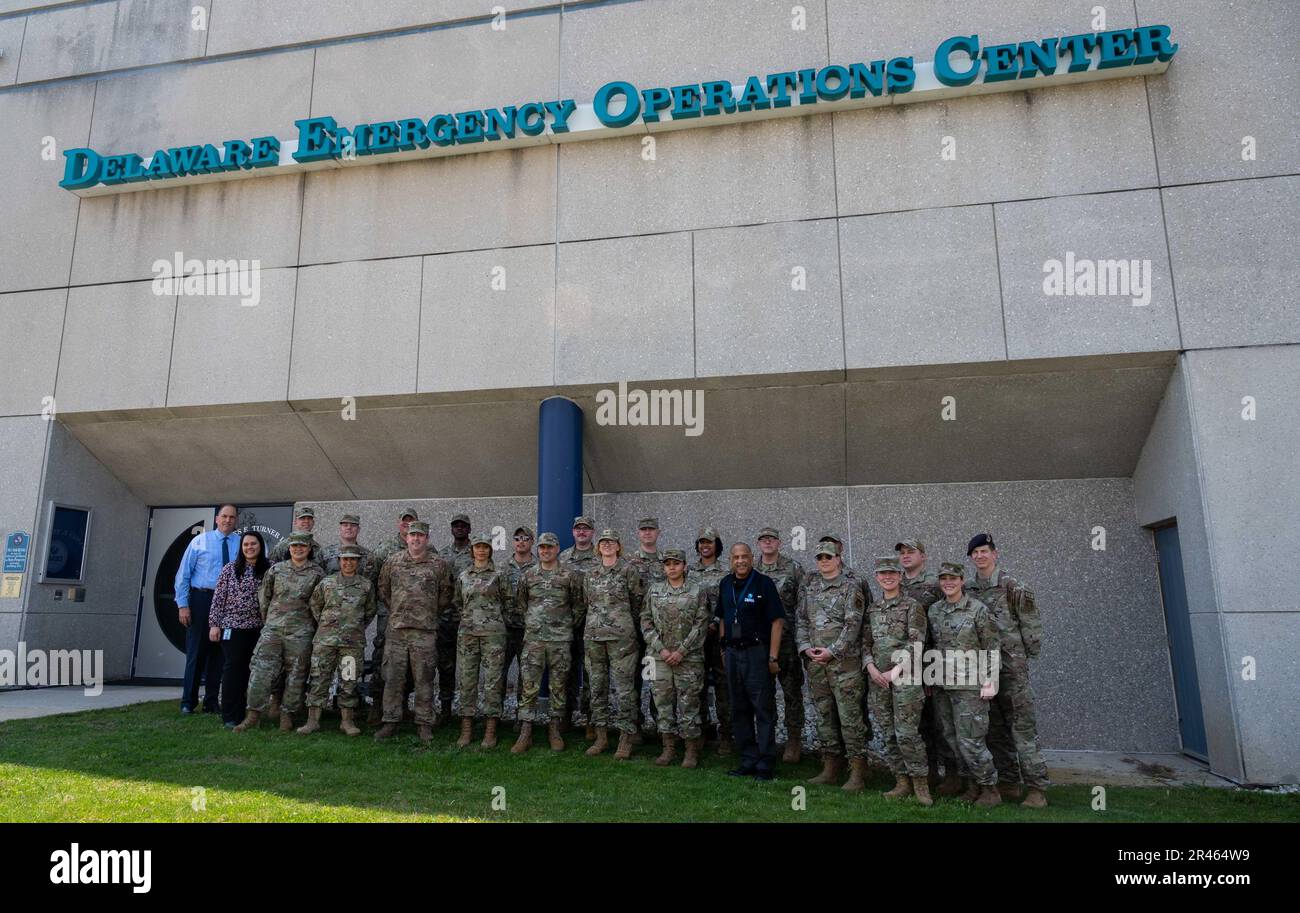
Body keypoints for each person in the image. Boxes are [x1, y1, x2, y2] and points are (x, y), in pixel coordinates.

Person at [965, 533, 1050, 807]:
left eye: (984, 551)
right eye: (975, 552)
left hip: (1012, 669)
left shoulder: (1014, 586)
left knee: (1022, 728)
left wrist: (1025, 660)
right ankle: (1009, 782)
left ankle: (1037, 789)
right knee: (996, 730)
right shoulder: (968, 589)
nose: (979, 556)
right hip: (984, 671)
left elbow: (1031, 626)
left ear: (995, 553)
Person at [234, 531, 324, 732]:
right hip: (273, 629)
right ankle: (253, 714)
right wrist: (270, 622)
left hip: (301, 632)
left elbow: (320, 603)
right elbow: (264, 598)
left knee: (296, 675)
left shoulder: (317, 573)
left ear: (309, 549)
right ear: (289, 548)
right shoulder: (276, 570)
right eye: (294, 546)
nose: (298, 549)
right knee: (261, 671)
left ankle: (287, 714)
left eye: (302, 546)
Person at [796, 539, 868, 791]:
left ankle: (857, 770)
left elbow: (853, 625)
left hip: (844, 665)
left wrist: (832, 651)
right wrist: (805, 647)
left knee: (850, 718)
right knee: (824, 715)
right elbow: (802, 619)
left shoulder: (851, 586)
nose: (824, 562)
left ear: (838, 558)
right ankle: (830, 766)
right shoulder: (811, 586)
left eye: (829, 557)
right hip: (816, 665)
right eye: (820, 558)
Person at [928, 561, 1001, 807]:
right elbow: (933, 647)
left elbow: (992, 647)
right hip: (942, 685)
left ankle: (990, 789)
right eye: (944, 578)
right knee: (952, 738)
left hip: (970, 686)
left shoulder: (977, 610)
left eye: (953, 578)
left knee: (971, 740)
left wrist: (990, 680)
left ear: (962, 581)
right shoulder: (935, 610)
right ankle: (971, 786)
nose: (948, 582)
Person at [374, 521, 453, 744]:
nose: (416, 539)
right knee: (393, 678)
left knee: (424, 678)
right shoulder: (393, 561)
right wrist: (400, 611)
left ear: (427, 539)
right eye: (412, 535)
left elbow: (446, 594)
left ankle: (424, 723)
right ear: (406, 537)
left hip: (425, 631)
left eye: (420, 535)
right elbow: (384, 590)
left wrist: (428, 612)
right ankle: (390, 721)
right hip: (397, 630)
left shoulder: (439, 564)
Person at [864, 555, 931, 805]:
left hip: (906, 679)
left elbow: (917, 644)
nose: (888, 577)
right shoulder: (872, 609)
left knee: (907, 734)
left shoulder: (912, 607)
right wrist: (871, 668)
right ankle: (901, 781)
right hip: (878, 679)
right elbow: (865, 643)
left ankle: (921, 784)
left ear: (900, 576)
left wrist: (895, 672)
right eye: (883, 574)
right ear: (877, 577)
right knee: (889, 733)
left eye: (892, 573)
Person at [715, 542, 784, 780]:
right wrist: (723, 649)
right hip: (733, 653)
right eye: (736, 557)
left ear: (752, 558)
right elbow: (723, 617)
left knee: (762, 708)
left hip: (757, 653)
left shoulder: (764, 583)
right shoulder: (725, 583)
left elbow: (777, 622)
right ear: (730, 560)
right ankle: (748, 758)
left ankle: (765, 763)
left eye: (745, 556)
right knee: (739, 708)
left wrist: (773, 656)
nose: (740, 561)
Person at [512, 532, 586, 753]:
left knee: (558, 686)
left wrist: (565, 625)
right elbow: (522, 603)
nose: (545, 551)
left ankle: (555, 728)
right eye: (542, 548)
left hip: (560, 640)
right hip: (534, 639)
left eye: (550, 548)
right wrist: (534, 623)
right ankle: (526, 731)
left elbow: (579, 604)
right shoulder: (529, 575)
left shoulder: (569, 575)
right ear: (538, 550)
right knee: (529, 686)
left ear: (556, 549)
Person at [895, 537, 955, 793]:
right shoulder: (896, 583)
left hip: (933, 660)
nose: (906, 556)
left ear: (924, 556)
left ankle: (953, 774)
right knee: (919, 723)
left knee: (942, 721)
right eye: (902, 553)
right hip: (907, 663)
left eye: (912, 552)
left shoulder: (936, 583)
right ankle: (928, 773)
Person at [641, 549, 710, 767]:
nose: (672, 567)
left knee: (689, 704)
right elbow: (645, 620)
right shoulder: (654, 590)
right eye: (668, 564)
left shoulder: (697, 591)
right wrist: (661, 649)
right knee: (662, 704)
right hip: (659, 657)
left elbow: (701, 624)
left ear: (685, 566)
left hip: (688, 659)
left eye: (676, 563)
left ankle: (691, 750)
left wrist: (682, 650)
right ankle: (668, 748)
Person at [580, 530, 645, 760]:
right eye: (603, 542)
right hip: (594, 638)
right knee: (597, 688)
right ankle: (601, 737)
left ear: (619, 546)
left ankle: (625, 738)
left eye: (612, 542)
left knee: (624, 689)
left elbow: (637, 602)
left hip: (622, 639)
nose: (607, 545)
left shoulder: (628, 570)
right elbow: (586, 602)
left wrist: (627, 627)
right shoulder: (590, 574)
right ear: (598, 547)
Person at [301, 545, 377, 736]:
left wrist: (354, 626)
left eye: (352, 559)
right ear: (339, 561)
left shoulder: (366, 586)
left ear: (358, 562)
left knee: (349, 680)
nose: (348, 562)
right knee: (319, 679)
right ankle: (313, 721)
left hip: (351, 644)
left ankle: (347, 721)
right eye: (345, 559)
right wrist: (328, 626)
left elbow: (369, 611)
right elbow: (315, 605)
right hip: (325, 641)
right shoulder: (327, 583)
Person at [174, 503, 240, 714]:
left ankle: (211, 702)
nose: (228, 520)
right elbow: (183, 574)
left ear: (236, 520)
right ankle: (188, 702)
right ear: (216, 519)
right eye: (224, 516)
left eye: (232, 517)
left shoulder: (241, 544)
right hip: (202, 599)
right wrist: (183, 605)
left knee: (220, 655)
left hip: (229, 603)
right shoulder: (200, 541)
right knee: (196, 653)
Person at [754, 526, 806, 763]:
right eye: (763, 539)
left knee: (791, 693)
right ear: (758, 544)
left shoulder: (793, 568)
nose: (767, 542)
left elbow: (803, 604)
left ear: (779, 543)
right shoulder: (751, 569)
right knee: (763, 693)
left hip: (787, 642)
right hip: (759, 642)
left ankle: (794, 741)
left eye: (771, 539)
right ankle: (768, 740)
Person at [454, 532, 510, 748]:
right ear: (472, 549)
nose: (481, 550)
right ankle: (466, 728)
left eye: (485, 546)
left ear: (490, 550)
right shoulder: (463, 575)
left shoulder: (499, 574)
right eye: (478, 546)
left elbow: (508, 601)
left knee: (493, 681)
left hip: (493, 635)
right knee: (467, 681)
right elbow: (459, 602)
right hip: (468, 634)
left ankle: (490, 729)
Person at [207, 530, 269, 728]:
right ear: (241, 548)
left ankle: (249, 714)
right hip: (232, 627)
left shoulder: (270, 570)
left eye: (253, 544)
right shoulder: (230, 569)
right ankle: (230, 715)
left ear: (260, 546)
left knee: (253, 671)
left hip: (259, 628)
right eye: (246, 545)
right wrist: (214, 624)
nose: (249, 548)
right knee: (234, 669)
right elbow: (218, 599)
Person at [366, 506, 419, 725]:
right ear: (399, 523)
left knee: (408, 660)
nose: (407, 524)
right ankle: (378, 705)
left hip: (414, 617)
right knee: (382, 658)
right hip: (388, 614)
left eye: (412, 521)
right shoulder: (384, 548)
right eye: (404, 521)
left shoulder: (427, 548)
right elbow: (372, 578)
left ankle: (403, 705)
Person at [691, 526, 731, 756]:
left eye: (709, 542)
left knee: (723, 687)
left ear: (717, 545)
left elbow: (727, 601)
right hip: (696, 638)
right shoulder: (690, 571)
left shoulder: (726, 571)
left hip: (719, 636)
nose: (705, 546)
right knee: (697, 685)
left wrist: (716, 622)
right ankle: (702, 731)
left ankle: (726, 734)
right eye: (701, 542)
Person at [559, 516, 598, 735]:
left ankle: (591, 718)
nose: (581, 532)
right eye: (578, 529)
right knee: (566, 670)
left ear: (593, 532)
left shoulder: (600, 557)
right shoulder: (563, 557)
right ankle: (566, 715)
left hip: (592, 624)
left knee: (593, 672)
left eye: (586, 529)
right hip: (567, 623)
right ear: (573, 532)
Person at [626, 517, 665, 736]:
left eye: (651, 529)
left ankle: (660, 723)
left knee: (658, 678)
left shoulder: (666, 561)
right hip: (633, 629)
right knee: (633, 679)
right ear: (638, 533)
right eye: (643, 530)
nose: (647, 533)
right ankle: (635, 725)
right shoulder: (628, 561)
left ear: (659, 532)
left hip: (658, 631)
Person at [436, 513, 473, 727]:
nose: (459, 529)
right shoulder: (443, 555)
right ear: (451, 529)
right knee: (446, 665)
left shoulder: (477, 553)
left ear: (469, 529)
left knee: (468, 666)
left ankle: (467, 712)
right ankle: (446, 708)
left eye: (463, 526)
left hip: (468, 620)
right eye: (456, 526)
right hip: (446, 620)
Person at [501, 526, 536, 729]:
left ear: (531, 542)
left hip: (528, 629)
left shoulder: (538, 567)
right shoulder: (503, 566)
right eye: (517, 538)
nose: (521, 542)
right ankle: (496, 715)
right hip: (505, 629)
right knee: (499, 673)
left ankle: (522, 717)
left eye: (525, 538)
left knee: (527, 675)